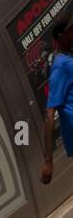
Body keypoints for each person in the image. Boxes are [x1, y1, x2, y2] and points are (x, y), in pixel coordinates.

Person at [42, 19, 73, 184]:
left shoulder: (68, 59)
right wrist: (48, 161)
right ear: (61, 37)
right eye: (71, 31)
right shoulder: (61, 66)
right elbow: (49, 115)